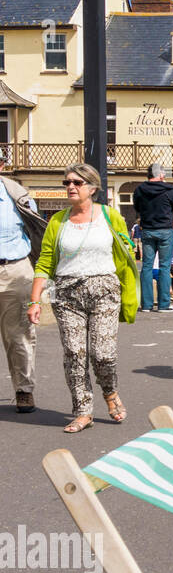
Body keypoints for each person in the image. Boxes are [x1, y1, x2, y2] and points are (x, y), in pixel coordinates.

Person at [27, 163, 138, 432]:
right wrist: (34, 300)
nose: (71, 187)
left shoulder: (111, 217)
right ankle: (83, 410)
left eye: (77, 183)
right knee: (75, 353)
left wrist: (129, 293)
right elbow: (45, 261)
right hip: (67, 293)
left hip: (105, 291)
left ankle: (110, 393)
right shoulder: (57, 221)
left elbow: (126, 254)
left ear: (92, 187)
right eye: (67, 183)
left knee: (103, 354)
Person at [1, 167, 45, 413]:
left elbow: (35, 231)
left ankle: (24, 390)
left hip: (15, 270)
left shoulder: (17, 196)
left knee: (19, 335)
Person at [132, 163, 173, 313]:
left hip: (148, 230)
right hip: (165, 231)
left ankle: (146, 305)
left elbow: (136, 207)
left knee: (147, 267)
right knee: (164, 266)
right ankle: (163, 304)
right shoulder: (169, 190)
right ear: (161, 175)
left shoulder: (139, 190)